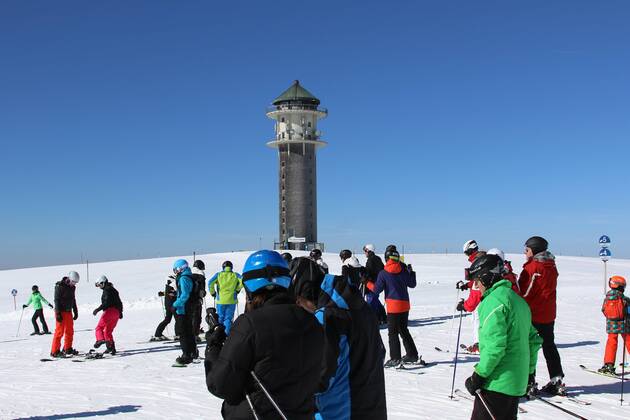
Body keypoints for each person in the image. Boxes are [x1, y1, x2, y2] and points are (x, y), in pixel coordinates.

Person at [205, 250, 324, 419]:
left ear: (249, 287)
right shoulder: (312, 322)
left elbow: (220, 385)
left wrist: (213, 349)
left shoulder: (249, 324)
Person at [294, 257, 387, 420]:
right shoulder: (360, 306)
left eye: (299, 301)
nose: (299, 306)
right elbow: (380, 351)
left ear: (307, 291)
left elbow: (320, 378)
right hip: (373, 407)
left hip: (340, 412)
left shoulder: (327, 318)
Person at [464, 254, 542, 420]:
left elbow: (494, 347)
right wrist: (529, 373)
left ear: (487, 276)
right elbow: (533, 341)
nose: (476, 285)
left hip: (496, 383)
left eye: (477, 280)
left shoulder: (493, 302)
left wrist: (478, 376)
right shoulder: (518, 301)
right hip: (515, 382)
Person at [518, 236, 565, 395]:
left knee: (529, 347)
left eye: (527, 250)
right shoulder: (551, 265)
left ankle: (529, 381)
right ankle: (556, 379)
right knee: (549, 345)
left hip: (534, 314)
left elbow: (525, 292)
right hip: (549, 313)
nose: (525, 253)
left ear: (534, 250)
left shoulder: (534, 267)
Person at [371, 247, 420, 367]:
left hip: (393, 307)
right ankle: (412, 354)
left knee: (392, 333)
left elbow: (376, 290)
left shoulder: (383, 273)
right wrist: (411, 272)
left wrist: (366, 282)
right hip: (405, 305)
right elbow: (412, 284)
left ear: (386, 258)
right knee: (404, 330)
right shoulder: (403, 270)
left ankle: (395, 358)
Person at [455, 240, 485, 354]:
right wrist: (466, 285)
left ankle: (479, 346)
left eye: (466, 253)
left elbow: (477, 289)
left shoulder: (477, 262)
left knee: (478, 321)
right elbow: (475, 281)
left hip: (481, 301)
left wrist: (465, 306)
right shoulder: (483, 261)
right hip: (486, 298)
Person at [598, 275, 630, 374]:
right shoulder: (625, 299)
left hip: (611, 325)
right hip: (624, 324)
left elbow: (603, 310)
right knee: (628, 341)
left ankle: (608, 365)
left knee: (611, 343)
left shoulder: (607, 297)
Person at [171, 259, 197, 365]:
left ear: (181, 268)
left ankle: (186, 354)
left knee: (183, 332)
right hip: (187, 307)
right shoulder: (187, 276)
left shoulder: (184, 278)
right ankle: (192, 352)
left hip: (183, 308)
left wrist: (174, 304)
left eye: (176, 269)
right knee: (188, 330)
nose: (175, 271)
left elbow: (185, 295)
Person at [207, 261, 243, 335]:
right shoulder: (235, 275)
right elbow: (243, 280)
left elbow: (210, 282)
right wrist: (237, 289)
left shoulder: (218, 275)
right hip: (232, 300)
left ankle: (219, 334)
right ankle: (226, 334)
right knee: (228, 318)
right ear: (231, 267)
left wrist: (213, 292)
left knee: (220, 317)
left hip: (221, 300)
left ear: (223, 267)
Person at [50, 271, 80, 357]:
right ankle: (54, 351)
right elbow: (56, 300)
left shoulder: (72, 287)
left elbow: (73, 299)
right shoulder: (59, 286)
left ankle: (67, 348)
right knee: (59, 331)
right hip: (60, 311)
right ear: (68, 279)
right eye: (73, 282)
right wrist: (58, 313)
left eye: (75, 283)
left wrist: (75, 310)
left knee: (70, 331)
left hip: (68, 311)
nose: (73, 284)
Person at [92, 275, 123, 355]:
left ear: (103, 282)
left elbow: (106, 303)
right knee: (108, 331)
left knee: (99, 328)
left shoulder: (107, 290)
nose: (99, 287)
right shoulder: (114, 290)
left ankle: (100, 339)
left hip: (109, 311)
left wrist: (98, 309)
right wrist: (120, 312)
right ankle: (111, 348)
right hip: (116, 313)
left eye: (100, 285)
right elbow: (119, 302)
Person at [362, 244, 387, 325]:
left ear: (368, 251)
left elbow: (369, 272)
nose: (364, 253)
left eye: (365, 251)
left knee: (371, 302)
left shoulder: (371, 260)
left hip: (372, 285)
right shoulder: (377, 258)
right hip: (378, 284)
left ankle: (374, 320)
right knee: (375, 300)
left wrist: (365, 277)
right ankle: (382, 317)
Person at [152, 276, 177, 340]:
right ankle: (178, 334)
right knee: (178, 320)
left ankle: (158, 334)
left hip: (168, 306)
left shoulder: (167, 286)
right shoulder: (173, 286)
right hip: (173, 306)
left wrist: (163, 293)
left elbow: (168, 293)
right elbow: (173, 293)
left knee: (167, 320)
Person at [191, 260, 207, 339]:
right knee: (197, 317)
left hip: (188, 299)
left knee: (190, 316)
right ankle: (195, 334)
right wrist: (202, 294)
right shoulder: (201, 274)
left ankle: (189, 333)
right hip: (197, 299)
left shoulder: (189, 273)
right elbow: (202, 289)